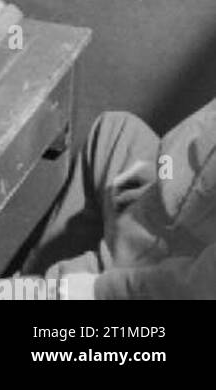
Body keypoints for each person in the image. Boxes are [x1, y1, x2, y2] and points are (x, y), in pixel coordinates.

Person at [15, 97, 216, 300]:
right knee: (115, 130)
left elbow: (198, 288)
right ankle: (39, 277)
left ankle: (46, 288)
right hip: (170, 187)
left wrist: (96, 290)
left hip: (167, 252)